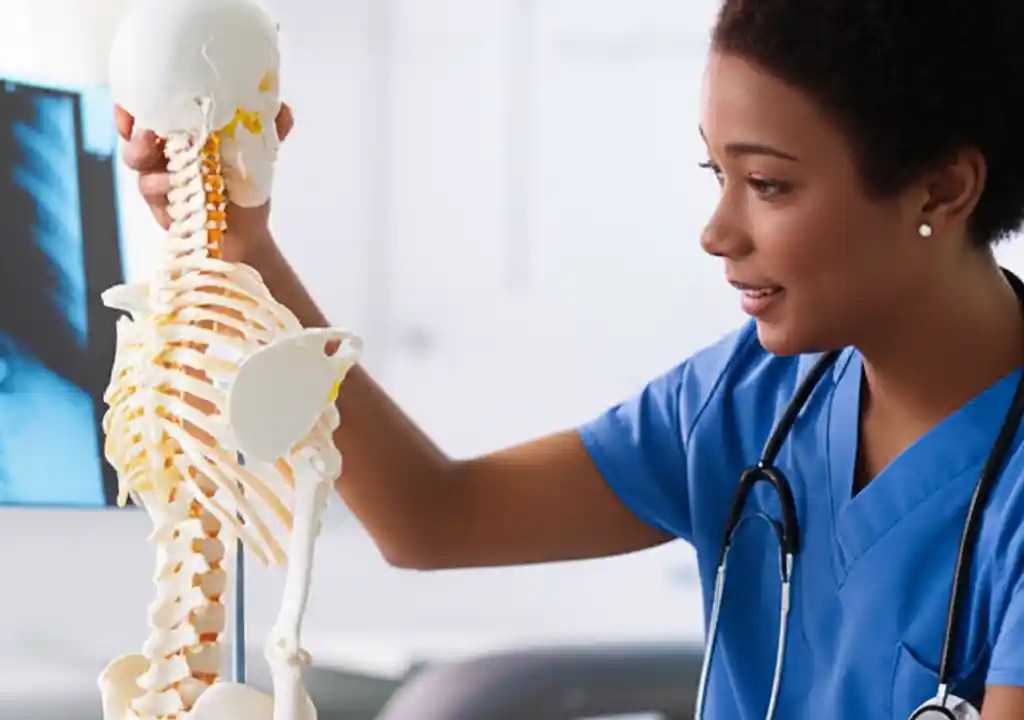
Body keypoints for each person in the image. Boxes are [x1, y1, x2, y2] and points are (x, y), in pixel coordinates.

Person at [114, 1, 1024, 716]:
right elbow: (434, 517)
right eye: (717, 176)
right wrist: (247, 250)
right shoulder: (751, 399)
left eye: (769, 184)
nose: (716, 232)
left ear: (942, 187)